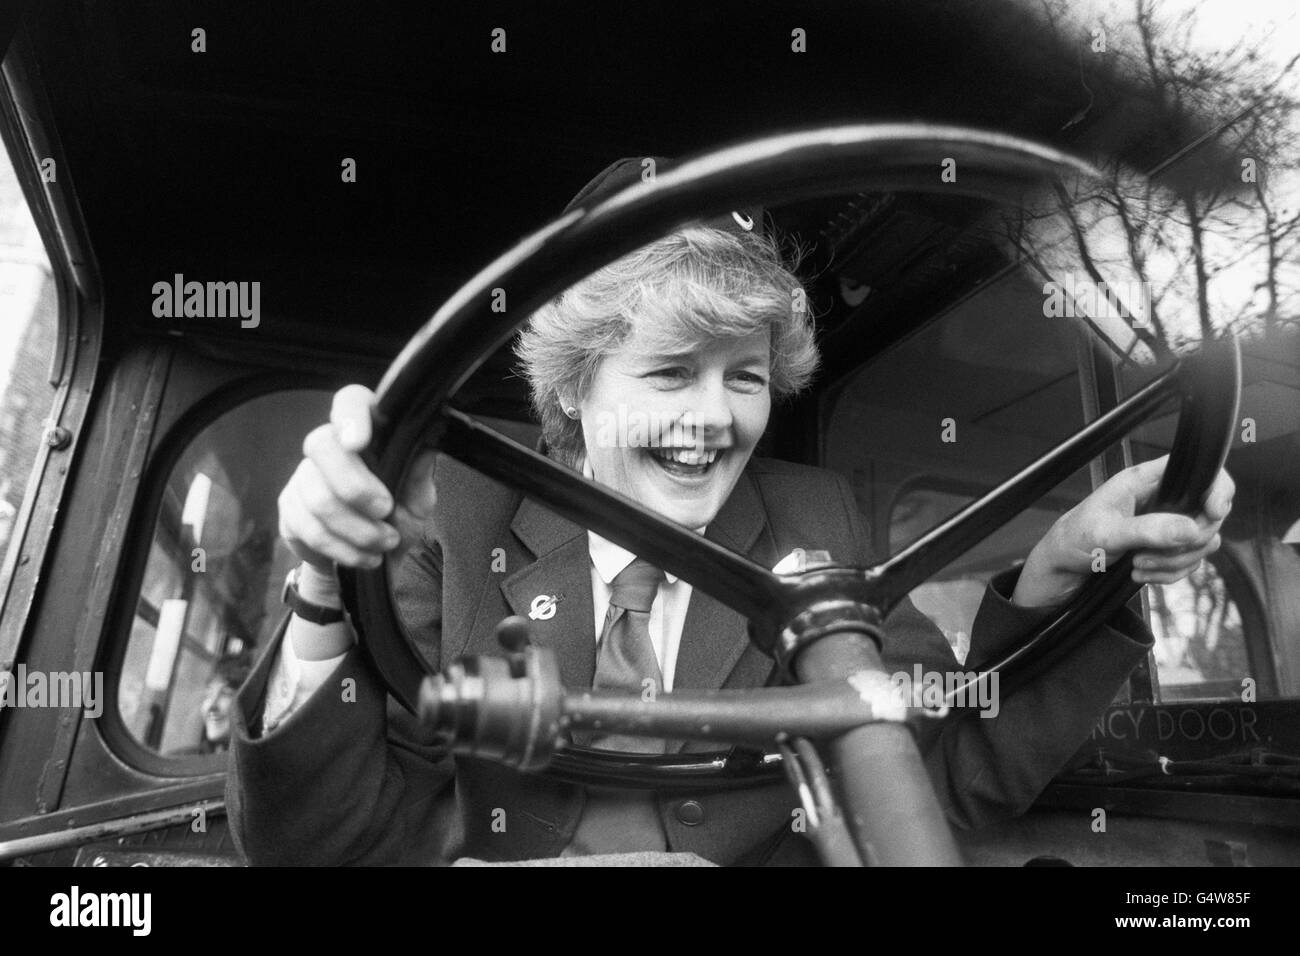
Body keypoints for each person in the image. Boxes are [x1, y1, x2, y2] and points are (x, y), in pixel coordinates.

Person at [226, 158, 1233, 865]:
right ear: (574, 386)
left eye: (743, 377)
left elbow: (940, 779)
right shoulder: (459, 515)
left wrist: (1065, 565)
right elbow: (319, 846)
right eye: (670, 374)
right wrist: (320, 591)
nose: (712, 419)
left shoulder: (816, 522)